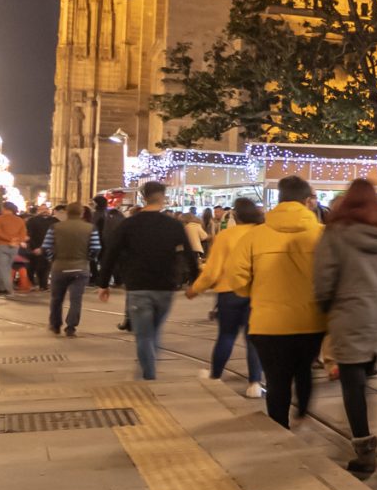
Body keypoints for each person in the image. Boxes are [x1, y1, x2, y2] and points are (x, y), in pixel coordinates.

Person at [312, 179, 377, 478]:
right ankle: (365, 433)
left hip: (350, 314)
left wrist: (327, 308)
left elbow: (324, 280)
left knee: (352, 385)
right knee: (363, 378)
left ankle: (364, 448)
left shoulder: (335, 234)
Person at [245, 177, 328, 429]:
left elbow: (236, 276)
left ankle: (279, 425)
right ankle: (302, 410)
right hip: (310, 319)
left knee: (276, 377)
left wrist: (255, 291)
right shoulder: (322, 235)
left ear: (279, 200)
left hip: (267, 321)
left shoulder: (255, 235)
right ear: (307, 202)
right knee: (304, 368)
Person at [99, 181, 190, 379]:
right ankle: (149, 368)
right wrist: (196, 283)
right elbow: (189, 254)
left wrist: (103, 283)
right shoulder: (174, 224)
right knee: (154, 331)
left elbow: (111, 254)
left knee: (144, 335)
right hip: (165, 286)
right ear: (163, 198)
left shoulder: (129, 224)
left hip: (138, 286)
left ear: (143, 198)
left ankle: (149, 374)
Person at [188, 197, 266, 394]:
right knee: (254, 340)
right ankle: (255, 383)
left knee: (226, 335)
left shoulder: (226, 236)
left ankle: (215, 375)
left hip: (229, 293)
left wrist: (195, 289)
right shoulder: (263, 234)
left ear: (235, 216)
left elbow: (213, 271)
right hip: (257, 293)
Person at [46, 200, 95, 336]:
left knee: (56, 298)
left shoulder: (54, 227)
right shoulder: (90, 228)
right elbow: (96, 248)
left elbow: (46, 247)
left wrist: (52, 259)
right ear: (81, 212)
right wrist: (87, 259)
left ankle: (55, 325)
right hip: (80, 268)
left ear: (67, 212)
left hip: (59, 267)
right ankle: (71, 327)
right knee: (76, 299)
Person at [0, 201, 27, 294]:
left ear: (4, 208)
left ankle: (9, 288)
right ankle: (2, 289)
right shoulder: (20, 220)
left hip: (1, 245)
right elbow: (23, 234)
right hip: (14, 247)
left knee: (1, 267)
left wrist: (9, 239)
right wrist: (16, 241)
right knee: (7, 267)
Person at [24, 202, 58, 290]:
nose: (45, 211)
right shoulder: (32, 221)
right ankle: (32, 284)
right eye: (42, 209)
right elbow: (29, 235)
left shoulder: (54, 221)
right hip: (35, 247)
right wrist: (35, 247)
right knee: (33, 266)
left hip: (49, 248)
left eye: (46, 209)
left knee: (46, 267)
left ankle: (43, 285)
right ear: (38, 211)